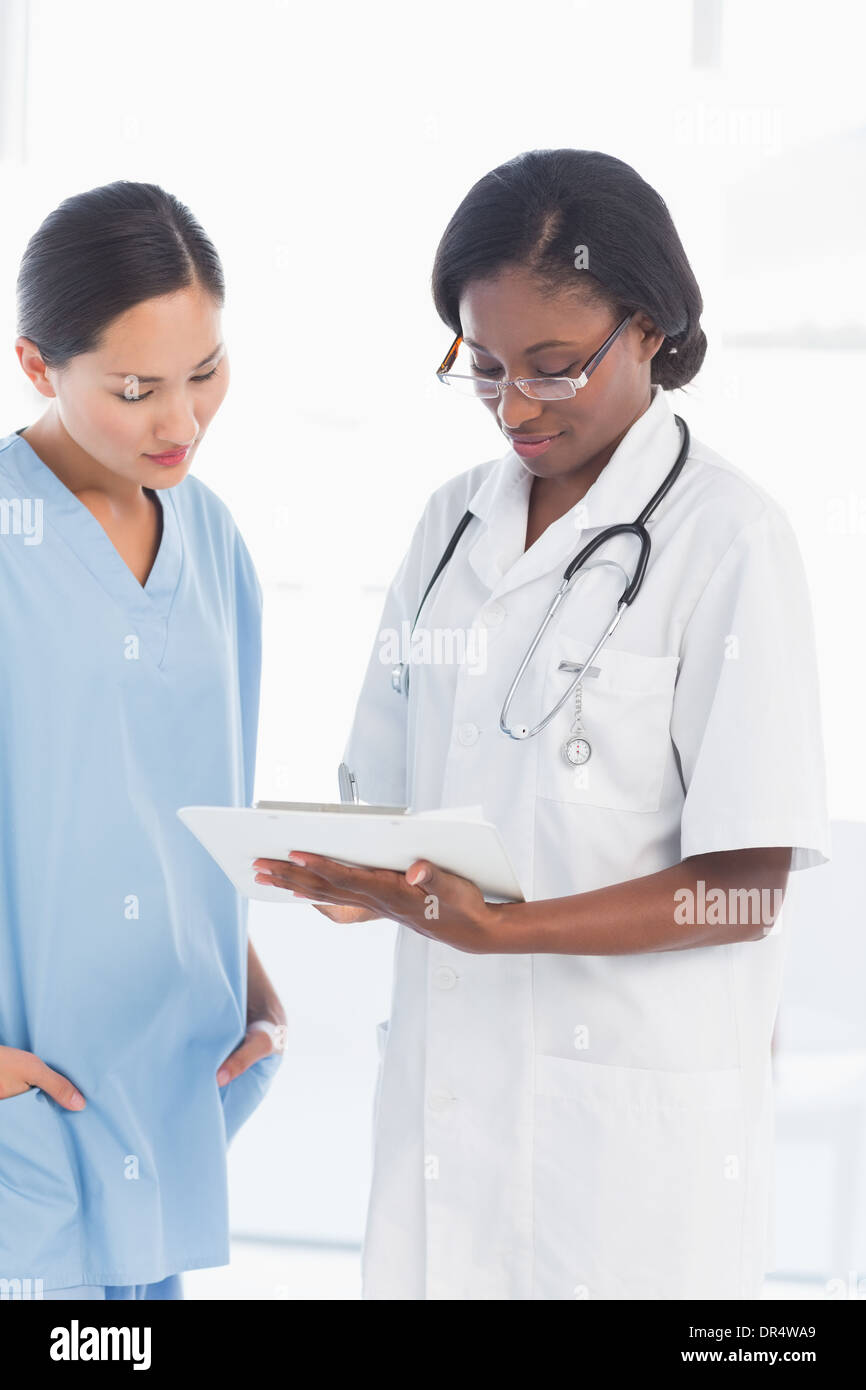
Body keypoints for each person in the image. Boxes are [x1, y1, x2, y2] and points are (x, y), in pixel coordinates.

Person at [253, 149, 830, 1300]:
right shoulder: (450, 525)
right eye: (484, 367)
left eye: (555, 369)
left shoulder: (729, 539)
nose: (513, 406)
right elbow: (385, 794)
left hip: (624, 1169)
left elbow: (745, 884)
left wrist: (493, 930)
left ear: (651, 327)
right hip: (439, 1126)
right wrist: (346, 875)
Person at [0, 181, 285, 1301]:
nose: (182, 423)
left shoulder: (212, 539)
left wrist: (253, 984)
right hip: (29, 1098)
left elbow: (199, 788)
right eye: (135, 389)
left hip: (169, 1089)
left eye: (204, 373)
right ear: (36, 365)